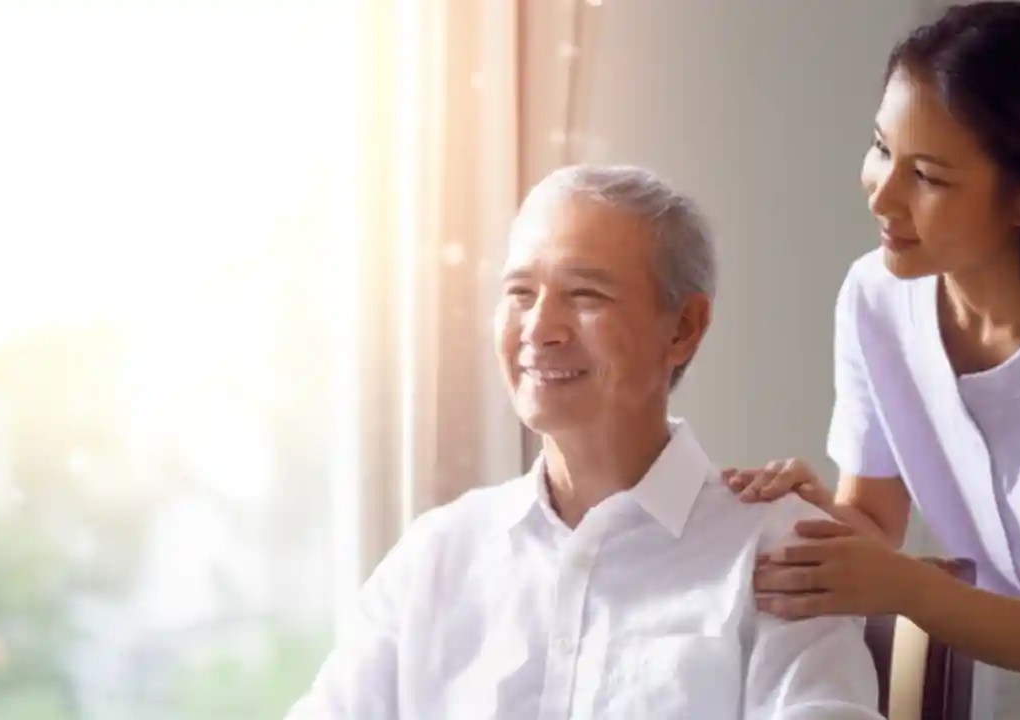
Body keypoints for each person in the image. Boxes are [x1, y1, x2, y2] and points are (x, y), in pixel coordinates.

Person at [289, 165, 881, 719]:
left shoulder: (781, 550)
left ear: (683, 328)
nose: (540, 329)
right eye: (520, 292)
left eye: (585, 295)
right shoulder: (436, 555)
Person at [725, 3, 1020, 718]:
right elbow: (874, 519)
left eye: (927, 175)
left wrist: (901, 585)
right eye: (880, 148)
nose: (883, 193)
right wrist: (814, 515)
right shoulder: (875, 300)